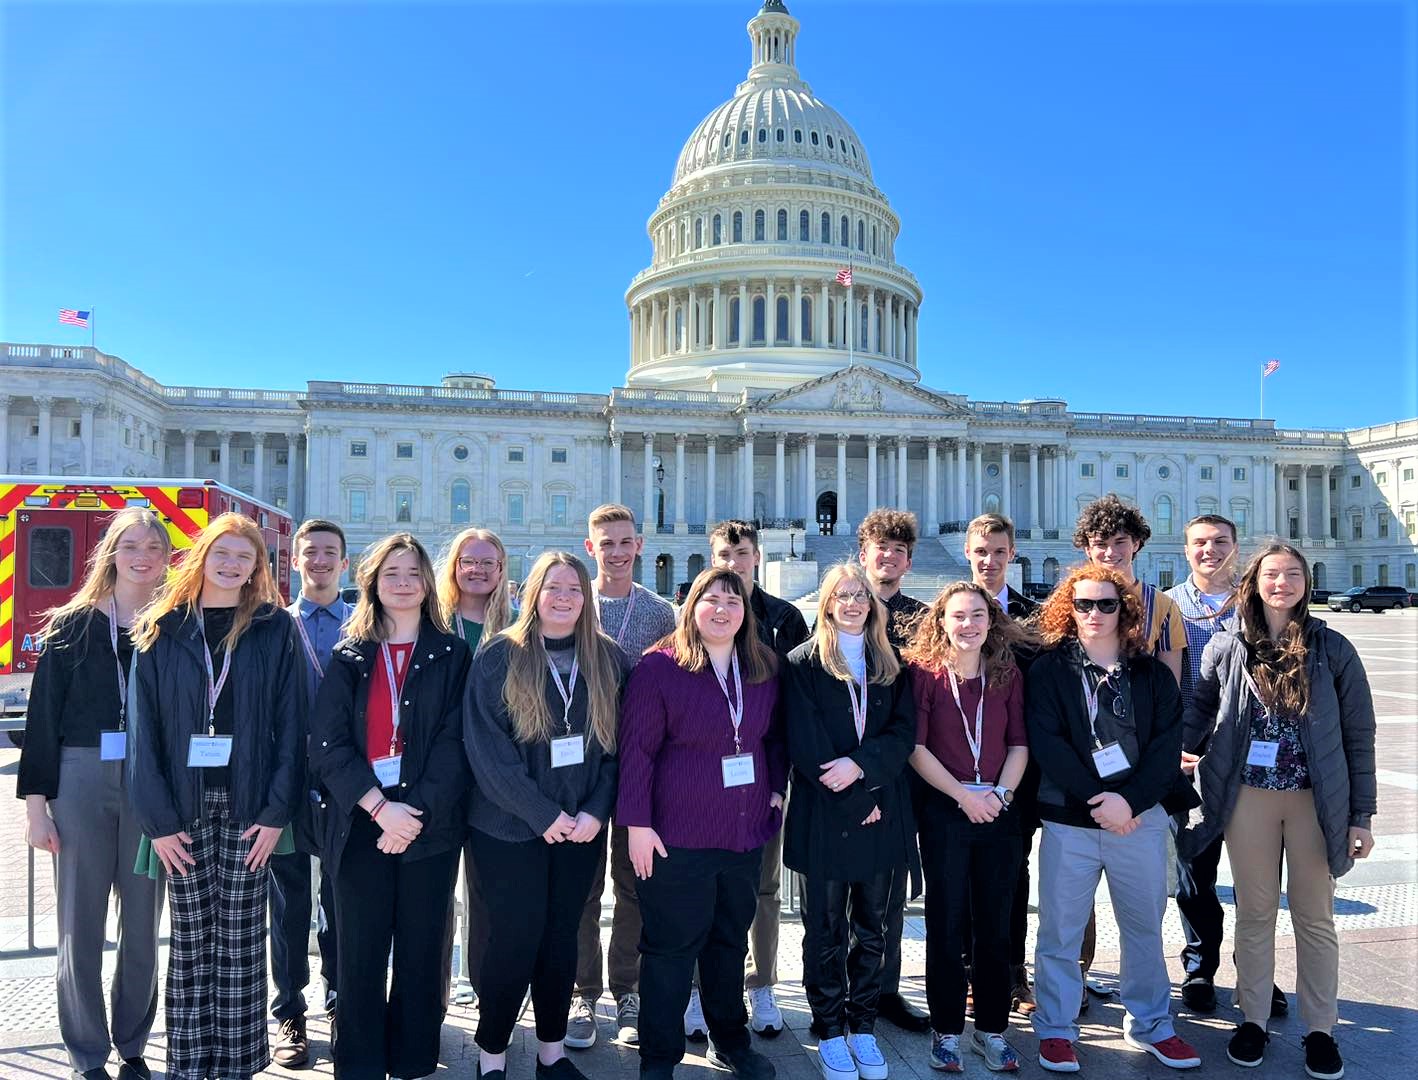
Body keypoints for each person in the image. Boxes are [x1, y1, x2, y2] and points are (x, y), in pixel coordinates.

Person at [1183, 543, 1375, 1079]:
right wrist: (1180, 751)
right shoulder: (1227, 647)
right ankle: (1253, 1020)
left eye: (1293, 574)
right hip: (1249, 797)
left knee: (1315, 917)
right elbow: (1200, 706)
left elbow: (1359, 736)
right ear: (1254, 582)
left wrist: (1362, 814)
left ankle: (1321, 1029)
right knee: (1256, 913)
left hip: (1317, 800)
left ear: (1306, 584)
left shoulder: (1333, 648)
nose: (1282, 583)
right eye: (1272, 574)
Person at [128, 512, 307, 1080]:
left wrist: (278, 813)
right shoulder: (162, 626)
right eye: (222, 553)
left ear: (259, 567)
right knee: (188, 943)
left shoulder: (274, 629)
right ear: (201, 555)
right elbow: (143, 734)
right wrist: (156, 822)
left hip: (251, 806)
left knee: (241, 942)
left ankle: (236, 1064)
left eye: (245, 557)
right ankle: (187, 1065)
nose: (232, 565)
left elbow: (291, 725)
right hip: (181, 809)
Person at [1026, 564, 1201, 1074]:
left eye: (1107, 604)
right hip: (1071, 820)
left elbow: (1167, 747)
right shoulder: (1050, 670)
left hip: (1138, 820)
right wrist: (1100, 801)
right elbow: (1048, 744)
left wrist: (1132, 803)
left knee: (1144, 927)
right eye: (1084, 604)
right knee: (1060, 930)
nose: (1095, 614)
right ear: (1069, 609)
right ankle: (1056, 1029)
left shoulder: (1150, 674)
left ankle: (1151, 1025)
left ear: (1125, 611)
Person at [309, 532, 470, 1080]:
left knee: (422, 948)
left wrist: (412, 813)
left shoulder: (452, 653)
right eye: (391, 574)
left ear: (429, 583)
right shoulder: (349, 654)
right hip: (360, 823)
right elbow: (327, 744)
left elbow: (456, 742)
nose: (403, 583)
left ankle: (413, 1057)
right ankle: (358, 1061)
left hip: (429, 827)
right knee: (359, 950)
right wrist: (381, 810)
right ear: (373, 583)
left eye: (413, 573)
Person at [19, 509, 170, 1080]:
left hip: (150, 782)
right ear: (110, 551)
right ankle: (86, 1051)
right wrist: (38, 809)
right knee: (78, 923)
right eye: (131, 544)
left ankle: (132, 1043)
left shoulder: (173, 627)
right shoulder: (71, 625)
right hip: (80, 777)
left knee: (142, 921)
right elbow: (41, 722)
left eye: (153, 546)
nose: (142, 555)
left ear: (164, 557)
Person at [464, 552, 626, 1080]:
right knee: (513, 939)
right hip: (509, 832)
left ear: (587, 598)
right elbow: (488, 752)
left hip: (580, 831)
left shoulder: (607, 659)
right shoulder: (498, 656)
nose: (563, 598)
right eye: (553, 587)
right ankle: (492, 1058)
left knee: (562, 939)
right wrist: (541, 814)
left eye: (574, 589)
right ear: (531, 593)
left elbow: (615, 750)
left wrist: (597, 812)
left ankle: (551, 1054)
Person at [619, 567, 783, 1080]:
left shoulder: (761, 667)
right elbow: (637, 752)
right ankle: (658, 1057)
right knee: (669, 950)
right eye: (710, 599)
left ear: (745, 613)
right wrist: (636, 826)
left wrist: (776, 791)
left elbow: (775, 738)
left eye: (732, 602)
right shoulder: (659, 668)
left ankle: (730, 1041)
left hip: (742, 832)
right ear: (689, 607)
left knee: (728, 942)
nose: (721, 609)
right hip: (677, 837)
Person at [783, 563, 917, 1080]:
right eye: (843, 594)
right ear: (827, 601)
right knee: (825, 929)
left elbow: (903, 733)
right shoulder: (803, 662)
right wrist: (861, 800)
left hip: (881, 807)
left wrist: (863, 768)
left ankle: (863, 1023)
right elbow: (806, 744)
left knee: (874, 928)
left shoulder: (890, 660)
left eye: (861, 594)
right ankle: (829, 1027)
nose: (855, 602)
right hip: (828, 815)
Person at [905, 582, 1031, 1074]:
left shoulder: (1006, 675)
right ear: (942, 622)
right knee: (947, 922)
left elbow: (1019, 743)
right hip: (946, 812)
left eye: (977, 615)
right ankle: (946, 1030)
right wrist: (963, 795)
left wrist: (998, 795)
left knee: (995, 926)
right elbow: (916, 749)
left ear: (990, 621)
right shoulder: (924, 676)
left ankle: (993, 1030)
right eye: (958, 616)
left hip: (998, 811)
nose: (969, 625)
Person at [1164, 515, 1285, 1018]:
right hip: (1189, 759)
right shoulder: (1166, 607)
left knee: (1257, 878)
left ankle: (1256, 973)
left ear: (1237, 548)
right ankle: (1200, 967)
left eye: (1220, 542)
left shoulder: (1260, 605)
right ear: (1185, 549)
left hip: (1253, 759)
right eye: (1200, 543)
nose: (1210, 551)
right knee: (1194, 873)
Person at [569, 505, 677, 1048]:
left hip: (641, 769)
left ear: (639, 545)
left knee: (634, 885)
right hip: (580, 769)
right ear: (591, 548)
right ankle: (583, 992)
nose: (616, 551)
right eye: (605, 543)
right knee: (582, 889)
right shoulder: (569, 603)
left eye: (625, 542)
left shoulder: (661, 613)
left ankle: (627, 988)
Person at [1071, 495, 1185, 999]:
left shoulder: (1162, 606)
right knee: (1075, 895)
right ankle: (1077, 971)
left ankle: (1144, 993)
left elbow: (1172, 688)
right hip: (1083, 764)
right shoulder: (1073, 596)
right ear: (1087, 547)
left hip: (1141, 771)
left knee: (1142, 893)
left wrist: (1143, 786)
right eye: (1101, 543)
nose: (1111, 552)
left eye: (1120, 543)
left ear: (1137, 544)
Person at [704, 518, 810, 1038]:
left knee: (765, 889)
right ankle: (702, 991)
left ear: (756, 557)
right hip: (705, 783)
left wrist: (780, 778)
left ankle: (761, 983)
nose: (732, 563)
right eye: (723, 554)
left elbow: (796, 707)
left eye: (740, 553)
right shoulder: (693, 616)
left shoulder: (785, 619)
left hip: (763, 774)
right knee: (707, 886)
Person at [269, 517, 351, 1068]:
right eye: (309, 553)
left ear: (345, 562)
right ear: (295, 562)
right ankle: (289, 1010)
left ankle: (341, 1000)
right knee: (288, 901)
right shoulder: (276, 626)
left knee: (342, 901)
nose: (319, 561)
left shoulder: (362, 624)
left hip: (346, 779)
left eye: (329, 553)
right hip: (289, 779)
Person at [961, 513, 1040, 1017]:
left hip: (1017, 771)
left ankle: (1013, 970)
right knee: (962, 877)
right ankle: (970, 973)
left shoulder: (1036, 617)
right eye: (981, 552)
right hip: (958, 776)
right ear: (968, 554)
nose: (989, 561)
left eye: (998, 552)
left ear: (1012, 554)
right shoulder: (946, 612)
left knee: (1014, 875)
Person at [855, 508, 930, 1033]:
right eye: (880, 547)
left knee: (891, 892)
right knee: (845, 889)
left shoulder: (923, 617)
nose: (889, 557)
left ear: (908, 560)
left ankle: (886, 989)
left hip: (903, 768)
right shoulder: (842, 609)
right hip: (848, 770)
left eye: (898, 550)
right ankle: (843, 991)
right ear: (864, 554)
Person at [437, 526, 515, 1011]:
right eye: (470, 560)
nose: (479, 569)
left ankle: (490, 994)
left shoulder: (516, 627)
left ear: (502, 569)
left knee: (488, 894)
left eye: (489, 562)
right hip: (442, 779)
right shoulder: (435, 624)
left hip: (495, 783)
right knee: (438, 894)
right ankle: (437, 994)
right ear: (455, 567)